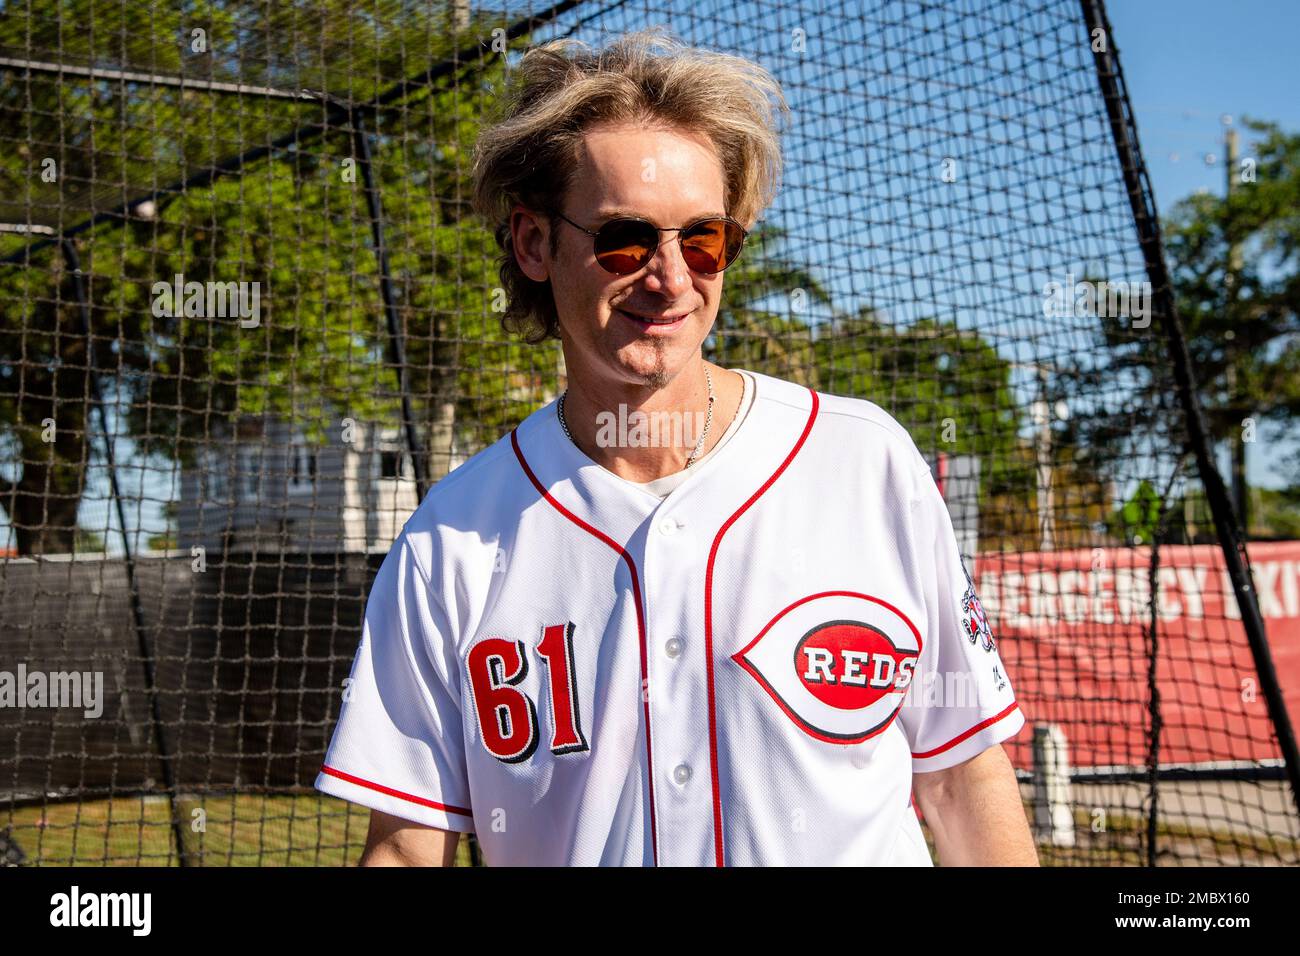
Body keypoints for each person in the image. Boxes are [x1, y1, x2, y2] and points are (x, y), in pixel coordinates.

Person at [315, 28, 1038, 867]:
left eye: (703, 240)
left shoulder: (864, 461)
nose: (669, 278)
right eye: (624, 237)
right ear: (534, 244)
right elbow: (407, 850)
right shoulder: (453, 538)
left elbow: (961, 781)